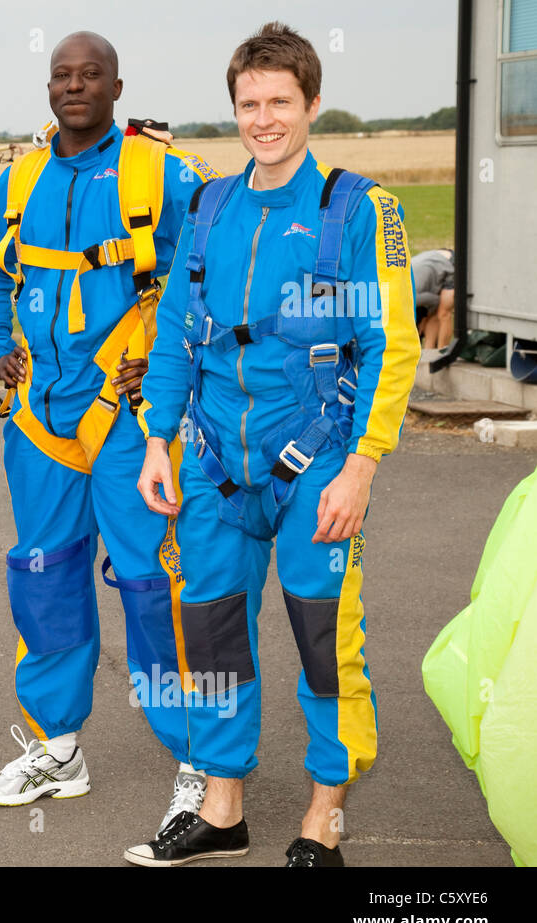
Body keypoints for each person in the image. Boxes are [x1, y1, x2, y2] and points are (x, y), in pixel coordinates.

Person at [129, 22, 418, 866]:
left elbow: (392, 346)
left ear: (312, 104)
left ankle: (324, 814)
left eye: (279, 102)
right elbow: (180, 331)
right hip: (215, 466)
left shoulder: (364, 211)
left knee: (327, 644)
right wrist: (156, 440)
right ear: (235, 109)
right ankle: (223, 810)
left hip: (319, 465)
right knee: (214, 638)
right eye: (248, 103)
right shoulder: (211, 206)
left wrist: (362, 464)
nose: (263, 119)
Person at [0, 31, 218, 831]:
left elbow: (213, 270)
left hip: (134, 421)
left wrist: (174, 363)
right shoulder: (21, 179)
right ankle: (57, 748)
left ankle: (200, 762)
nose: (75, 86)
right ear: (50, 88)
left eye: (90, 74)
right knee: (44, 577)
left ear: (116, 86)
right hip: (40, 421)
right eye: (62, 75)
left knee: (153, 585)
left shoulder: (163, 176)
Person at [411, 248, 455, 350]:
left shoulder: (413, 298)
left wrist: (425, 319)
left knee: (443, 313)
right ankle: (429, 353)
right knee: (433, 313)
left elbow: (436, 301)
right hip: (434, 257)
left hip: (450, 264)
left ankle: (442, 354)